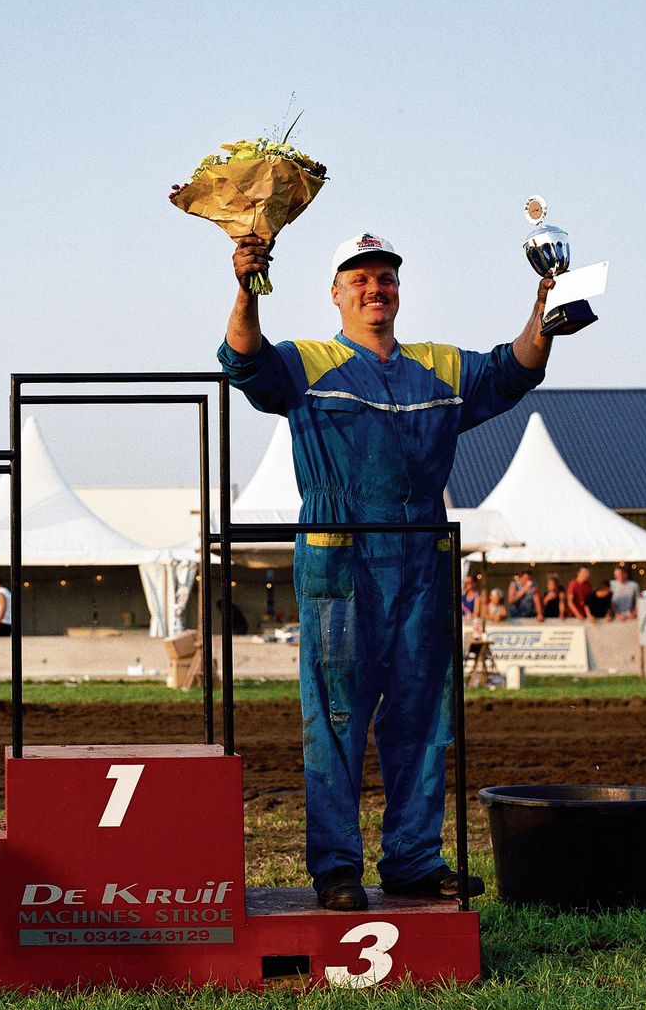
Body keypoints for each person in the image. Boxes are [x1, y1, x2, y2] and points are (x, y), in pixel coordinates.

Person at [218, 226, 551, 911]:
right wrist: (247, 287)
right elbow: (242, 360)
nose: (376, 287)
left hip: (423, 564)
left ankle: (412, 861)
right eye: (361, 278)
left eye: (387, 277)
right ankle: (337, 867)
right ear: (336, 293)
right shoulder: (304, 360)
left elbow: (515, 369)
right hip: (339, 562)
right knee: (336, 715)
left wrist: (547, 305)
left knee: (422, 717)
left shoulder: (440, 367)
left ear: (399, 290)